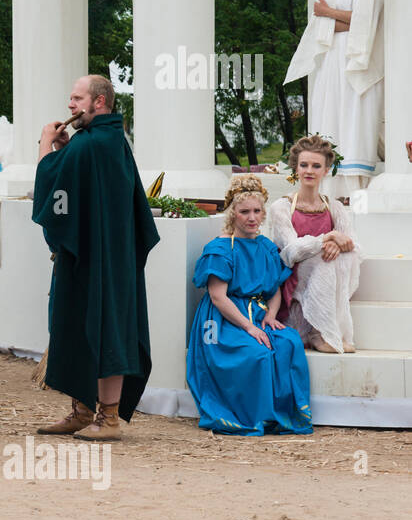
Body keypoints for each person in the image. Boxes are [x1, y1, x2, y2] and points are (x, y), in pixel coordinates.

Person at [32, 74, 160, 441]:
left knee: (106, 331)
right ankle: (84, 410)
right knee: (78, 327)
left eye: (76, 98)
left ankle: (109, 419)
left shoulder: (93, 143)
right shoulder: (103, 140)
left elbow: (49, 184)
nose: (70, 105)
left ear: (99, 102)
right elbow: (73, 192)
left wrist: (46, 145)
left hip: (101, 260)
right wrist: (62, 151)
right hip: (99, 255)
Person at [187, 176, 312, 436]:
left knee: (287, 341)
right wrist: (249, 328)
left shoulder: (266, 248)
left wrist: (270, 316)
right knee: (256, 353)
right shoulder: (221, 249)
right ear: (232, 213)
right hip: (222, 321)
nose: (251, 217)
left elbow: (275, 288)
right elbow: (218, 297)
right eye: (244, 212)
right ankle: (252, 414)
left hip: (258, 314)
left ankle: (279, 416)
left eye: (257, 211)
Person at [285, 0, 384, 198]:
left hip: (360, 60)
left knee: (357, 115)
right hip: (333, 60)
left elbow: (368, 22)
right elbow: (323, 26)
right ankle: (327, 186)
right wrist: (348, 19)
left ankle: (356, 188)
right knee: (332, 111)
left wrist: (330, 12)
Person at [268, 135, 362, 354]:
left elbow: (352, 243)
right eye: (304, 165)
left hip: (323, 276)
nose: (309, 170)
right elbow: (291, 251)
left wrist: (338, 245)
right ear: (296, 169)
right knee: (325, 258)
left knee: (341, 255)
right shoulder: (282, 206)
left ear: (326, 170)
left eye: (316, 166)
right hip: (292, 277)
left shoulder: (334, 207)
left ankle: (327, 331)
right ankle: (319, 333)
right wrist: (327, 239)